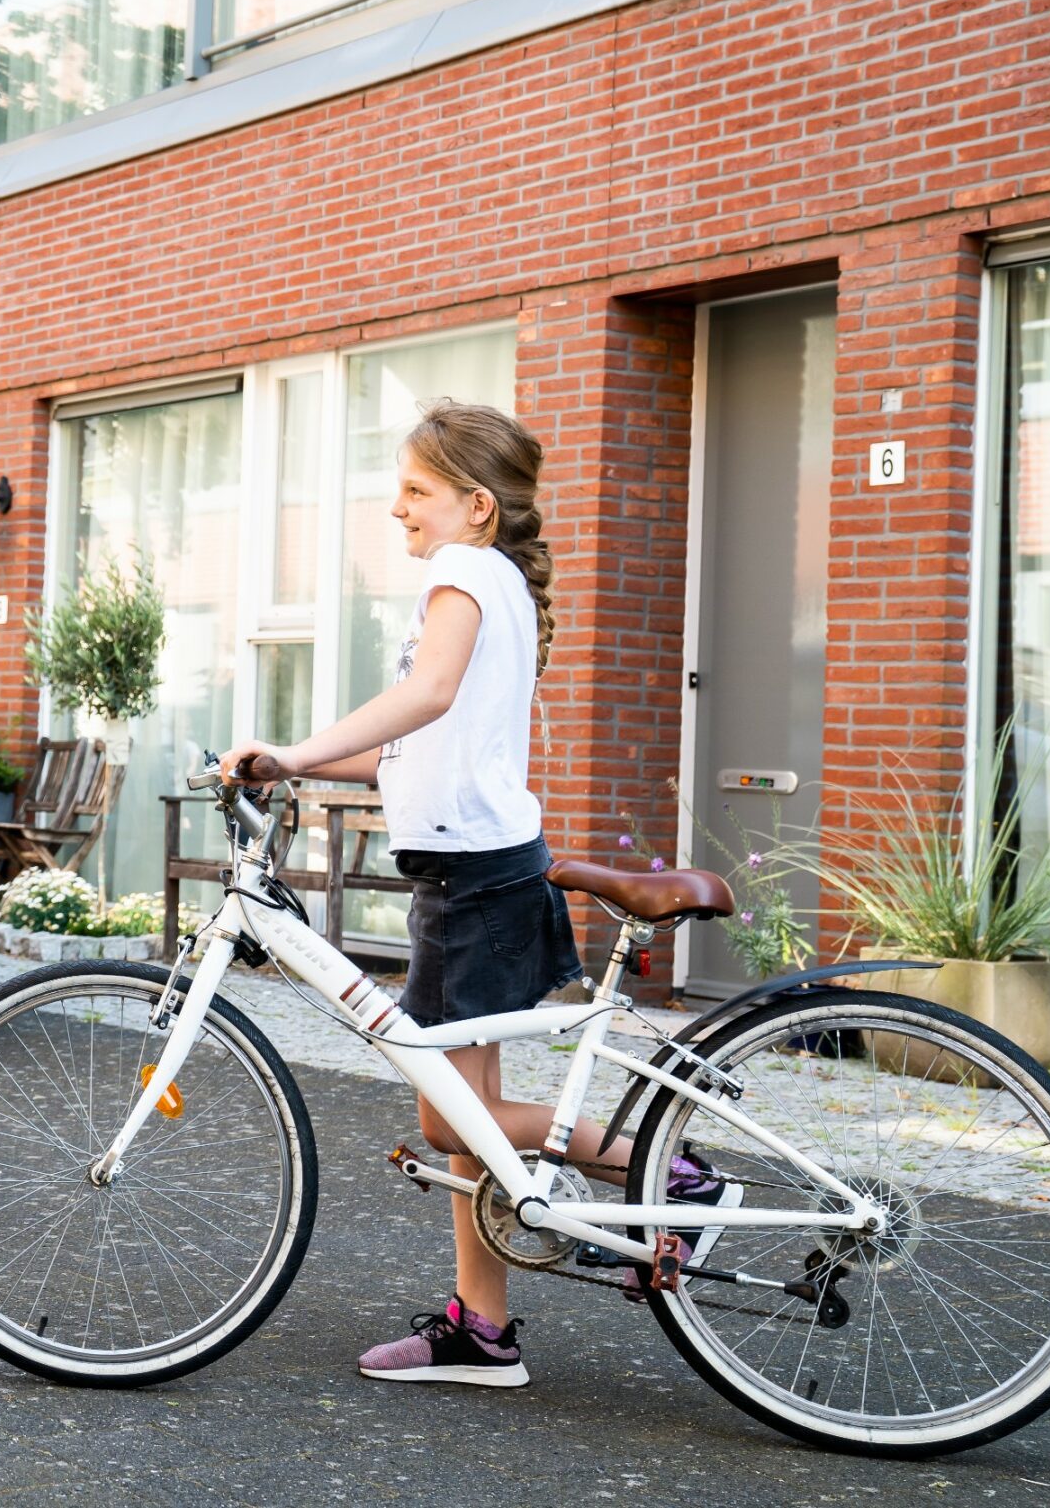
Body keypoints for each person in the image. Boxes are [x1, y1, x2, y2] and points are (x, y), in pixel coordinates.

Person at [219, 399, 733, 1389]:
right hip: (473, 872)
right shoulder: (487, 581)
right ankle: (480, 1329)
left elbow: (425, 696)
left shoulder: (461, 575)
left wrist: (292, 746)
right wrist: (299, 767)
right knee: (465, 1109)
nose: (397, 510)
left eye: (415, 492)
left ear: (475, 507)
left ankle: (665, 1174)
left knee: (455, 1119)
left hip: (474, 880)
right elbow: (412, 738)